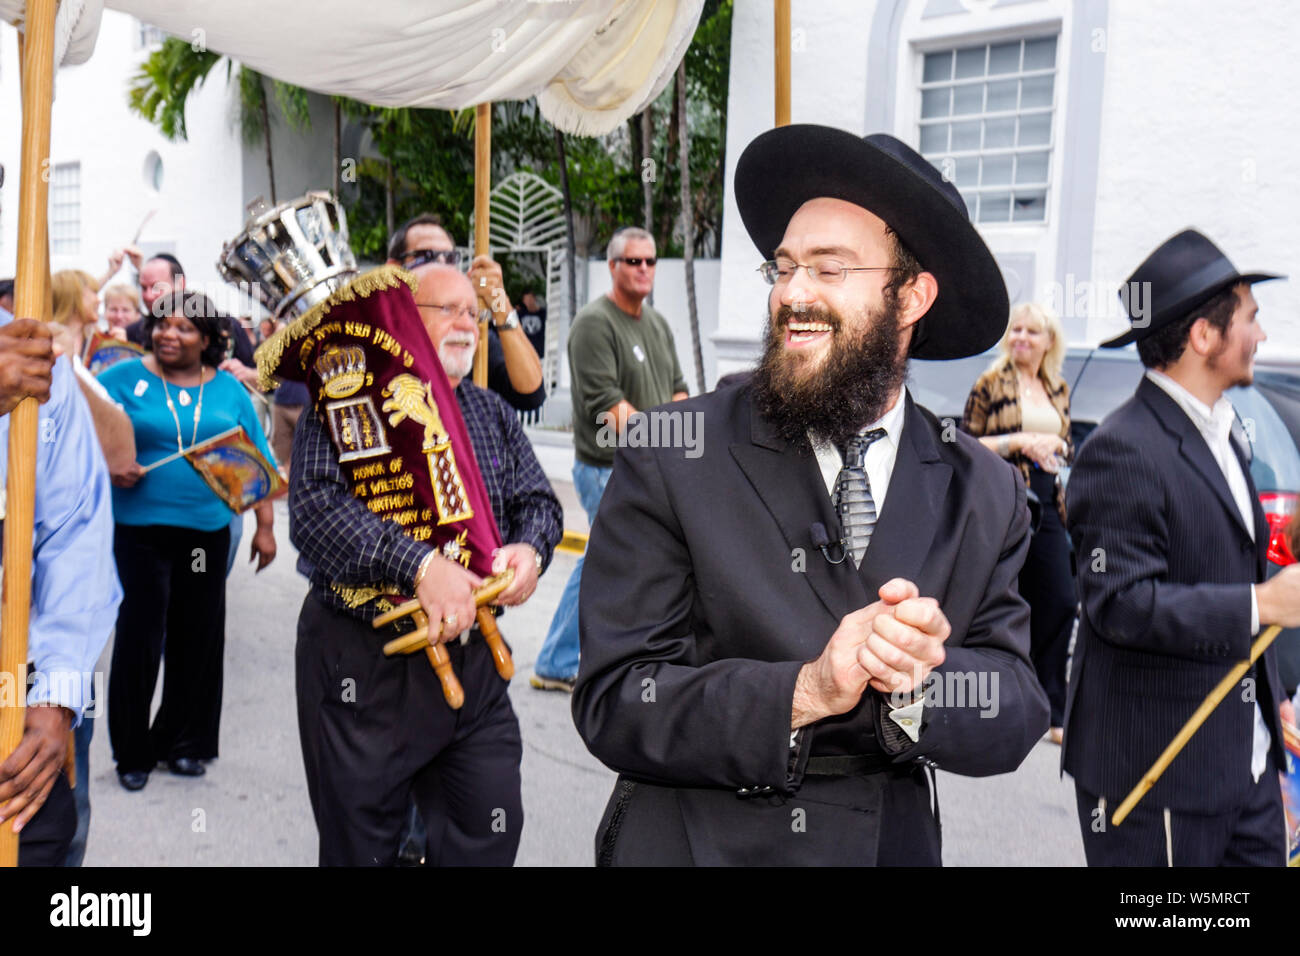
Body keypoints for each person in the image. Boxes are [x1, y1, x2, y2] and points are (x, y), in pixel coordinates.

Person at [571, 126, 1049, 866]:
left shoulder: (982, 491)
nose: (792, 293)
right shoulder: (674, 453)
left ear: (912, 294)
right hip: (696, 843)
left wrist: (921, 686)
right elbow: (616, 700)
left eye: (829, 270)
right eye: (784, 267)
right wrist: (805, 690)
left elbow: (1016, 705)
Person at [290, 262, 562, 866]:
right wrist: (417, 565)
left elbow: (539, 504)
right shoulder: (343, 403)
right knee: (360, 850)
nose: (468, 324)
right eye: (450, 310)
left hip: (473, 667)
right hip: (362, 667)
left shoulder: (491, 413)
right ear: (407, 321)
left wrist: (530, 550)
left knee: (489, 830)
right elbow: (312, 514)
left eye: (474, 312)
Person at [1064, 228, 1300, 866]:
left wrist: (1270, 696)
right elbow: (1120, 604)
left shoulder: (1227, 433)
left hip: (1243, 763)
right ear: (1204, 336)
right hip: (1159, 771)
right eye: (1251, 318)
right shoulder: (1121, 449)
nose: (1262, 334)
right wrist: (1262, 605)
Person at [99, 290, 277, 792]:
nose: (168, 334)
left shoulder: (227, 390)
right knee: (139, 638)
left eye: (182, 328)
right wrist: (110, 464)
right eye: (161, 325)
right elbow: (82, 431)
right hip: (139, 532)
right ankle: (132, 752)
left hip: (204, 535)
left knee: (196, 637)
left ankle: (184, 743)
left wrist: (264, 528)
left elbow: (255, 461)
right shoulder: (121, 378)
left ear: (207, 339)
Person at [532, 226, 688, 693]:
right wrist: (674, 440)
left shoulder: (656, 323)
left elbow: (679, 390)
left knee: (635, 562)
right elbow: (612, 410)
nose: (644, 269)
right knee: (603, 562)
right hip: (607, 467)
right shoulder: (593, 325)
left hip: (652, 466)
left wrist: (682, 449)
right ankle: (557, 661)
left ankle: (632, 655)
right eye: (633, 261)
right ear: (613, 266)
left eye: (650, 261)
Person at [0, 315, 121, 867]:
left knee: (39, 834)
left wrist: (57, 696)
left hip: (14, 682)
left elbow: (73, 531)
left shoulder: (28, 348)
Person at [963, 302, 1075, 743]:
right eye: (1016, 331)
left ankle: (1052, 708)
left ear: (1049, 342)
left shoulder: (1058, 387)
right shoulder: (990, 383)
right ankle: (1002, 705)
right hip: (1007, 502)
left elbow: (1064, 443)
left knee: (1061, 603)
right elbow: (965, 445)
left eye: (1032, 332)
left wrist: (1055, 448)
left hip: (1049, 504)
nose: (1022, 339)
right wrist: (1018, 441)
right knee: (1004, 605)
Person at [387, 213, 545, 412]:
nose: (442, 266)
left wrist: (499, 302)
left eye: (450, 258)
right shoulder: (370, 332)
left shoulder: (468, 333)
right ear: (393, 268)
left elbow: (530, 395)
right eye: (426, 257)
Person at [50, 270, 138, 484]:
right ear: (74, 297)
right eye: (92, 293)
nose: (99, 299)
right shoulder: (51, 347)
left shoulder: (108, 344)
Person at [516, 288, 546, 359]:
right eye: (526, 300)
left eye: (530, 299)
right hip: (526, 353)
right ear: (524, 301)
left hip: (541, 352)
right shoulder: (520, 314)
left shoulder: (543, 313)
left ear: (534, 299)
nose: (528, 302)